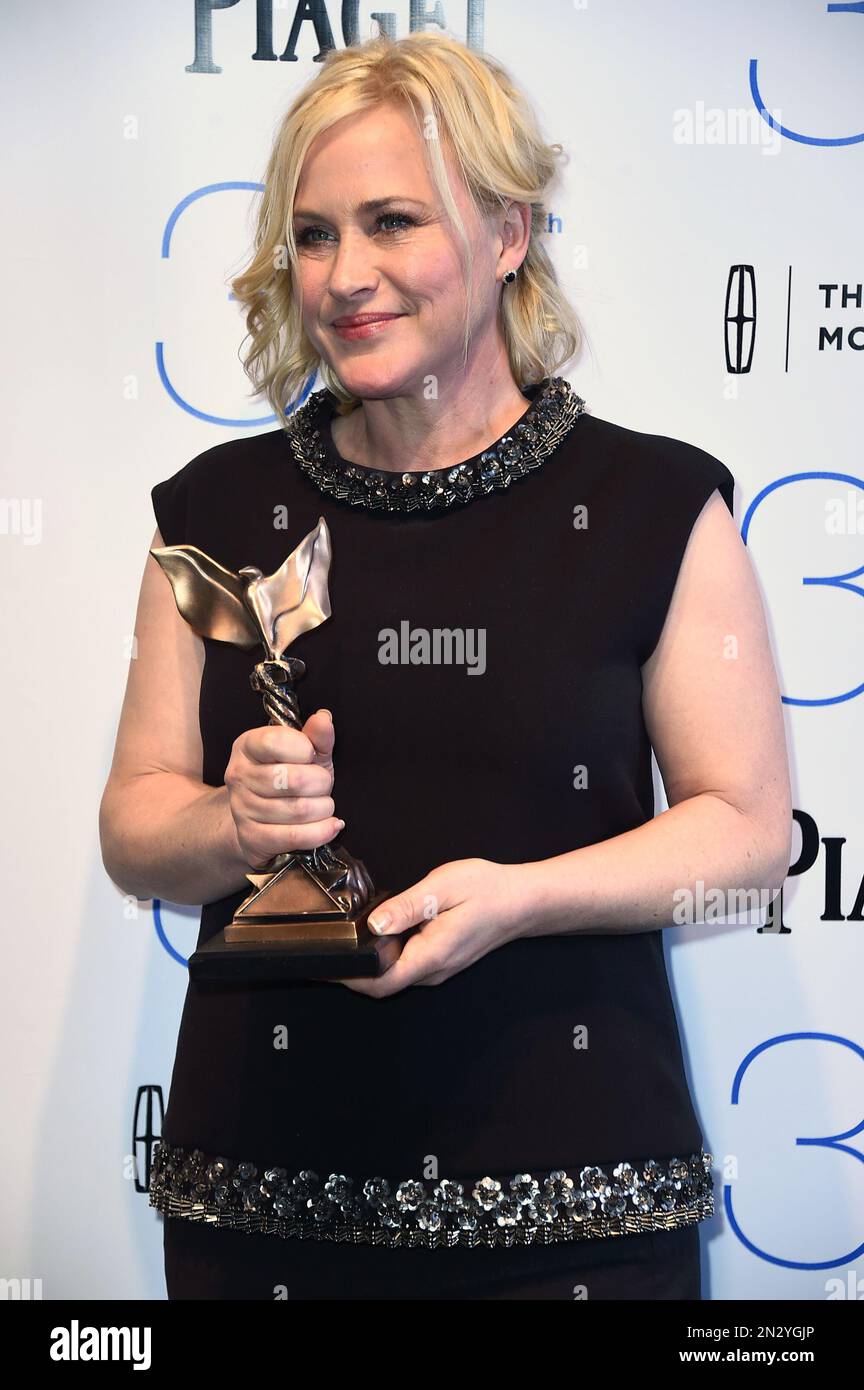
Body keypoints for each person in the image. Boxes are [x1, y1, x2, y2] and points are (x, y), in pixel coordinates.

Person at [99, 31, 792, 1301]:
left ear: (510, 233)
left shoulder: (651, 503)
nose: (346, 275)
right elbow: (136, 824)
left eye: (393, 222)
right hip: (265, 1202)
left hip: (580, 1213)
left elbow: (746, 832)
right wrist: (230, 821)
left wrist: (523, 896)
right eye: (313, 236)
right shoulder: (214, 511)